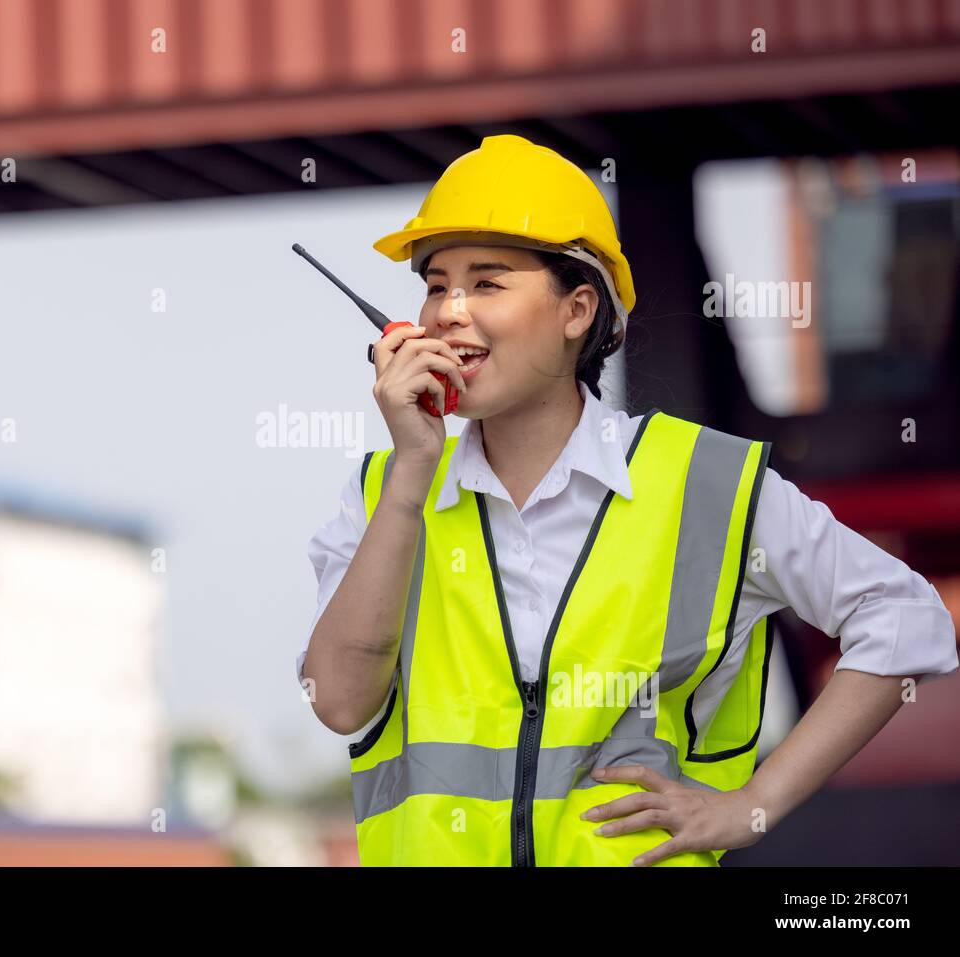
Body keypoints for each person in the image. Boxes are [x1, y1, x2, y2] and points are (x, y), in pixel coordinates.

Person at [297, 134, 958, 866]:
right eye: (435, 283)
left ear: (577, 308)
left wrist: (754, 806)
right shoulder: (383, 492)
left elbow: (906, 618)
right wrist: (410, 479)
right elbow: (339, 702)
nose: (449, 310)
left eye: (487, 282)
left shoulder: (706, 486)